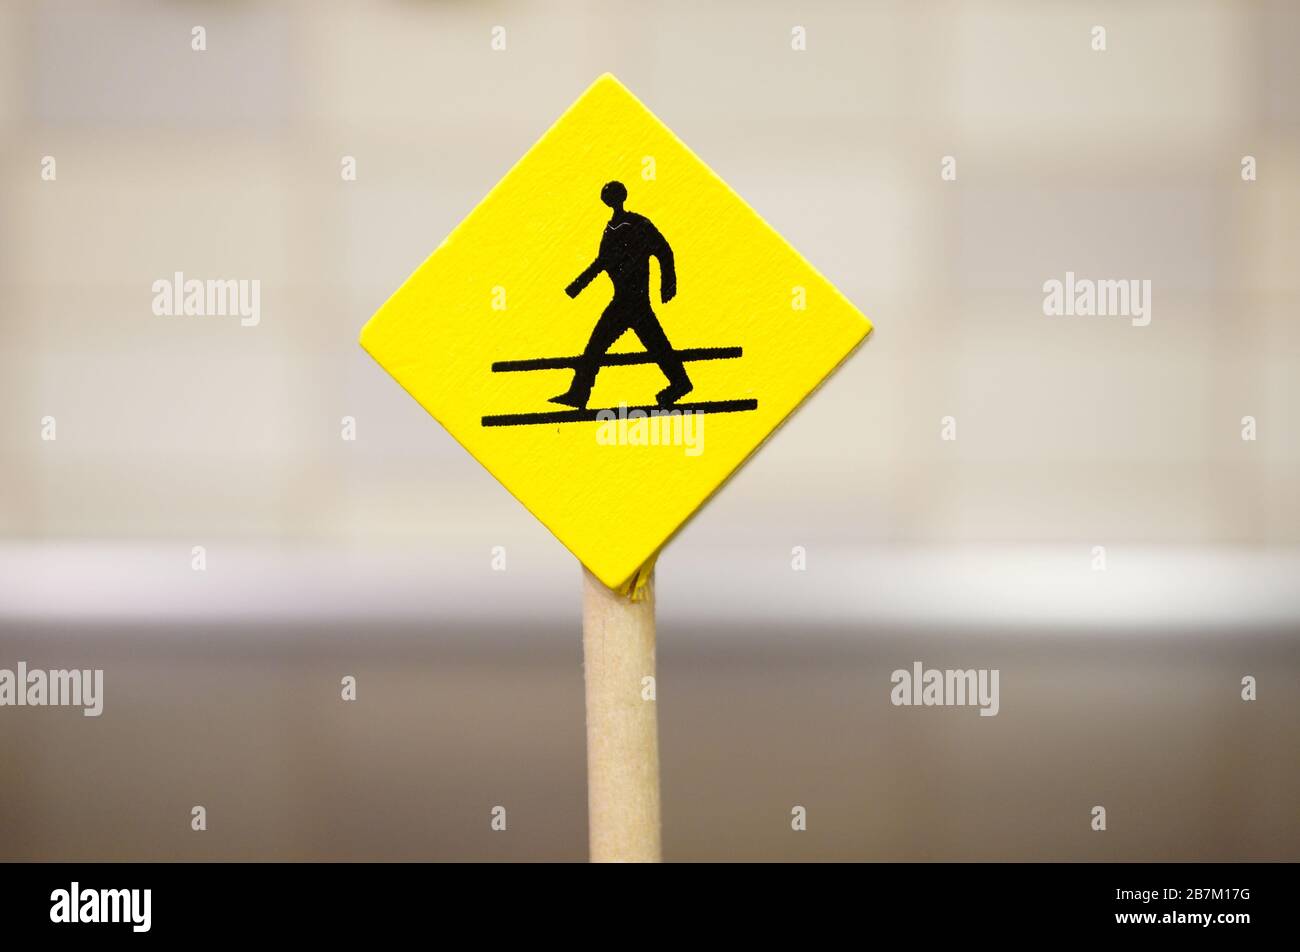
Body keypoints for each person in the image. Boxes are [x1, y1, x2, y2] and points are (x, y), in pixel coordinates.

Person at [550, 181, 693, 409]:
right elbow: (602, 263)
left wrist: (668, 284)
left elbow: (664, 250)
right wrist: (576, 286)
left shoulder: (638, 224)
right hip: (624, 299)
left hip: (633, 300)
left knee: (601, 345)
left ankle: (579, 393)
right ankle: (680, 383)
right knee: (651, 345)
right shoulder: (611, 228)